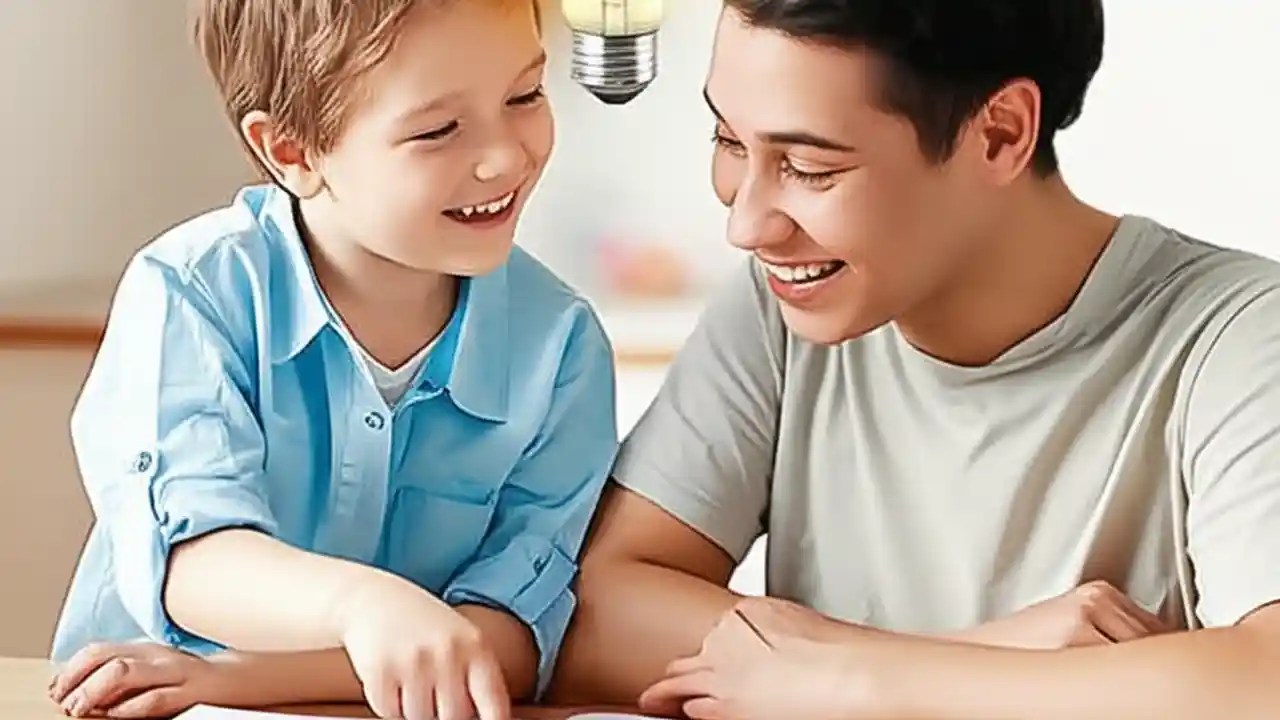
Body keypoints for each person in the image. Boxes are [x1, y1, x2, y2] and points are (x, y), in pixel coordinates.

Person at [551, 0, 1280, 718]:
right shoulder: (785, 303)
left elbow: (1265, 680)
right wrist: (984, 660)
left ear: (999, 134)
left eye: (808, 167)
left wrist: (841, 687)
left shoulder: (1238, 333)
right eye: (729, 142)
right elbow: (592, 612)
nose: (746, 223)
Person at [45, 2, 617, 720]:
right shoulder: (193, 292)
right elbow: (193, 561)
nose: (505, 156)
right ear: (291, 150)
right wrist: (364, 609)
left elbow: (513, 636)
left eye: (525, 95)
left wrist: (236, 681)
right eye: (438, 130)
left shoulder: (561, 346)